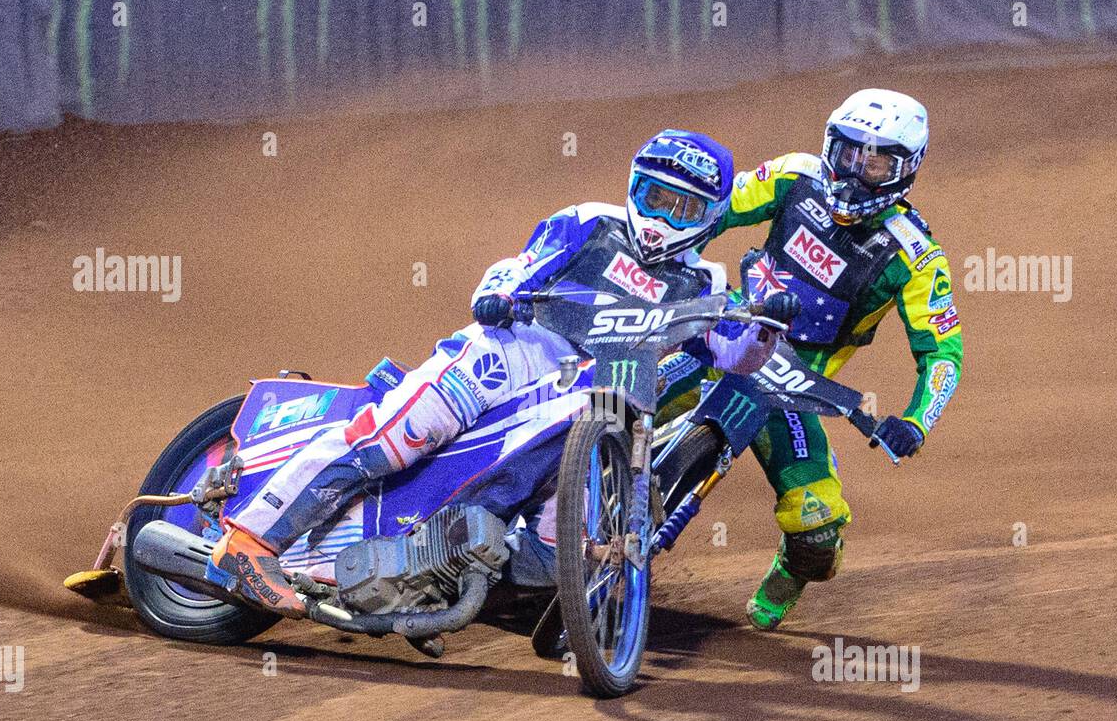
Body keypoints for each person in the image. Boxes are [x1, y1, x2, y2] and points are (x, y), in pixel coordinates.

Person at [208, 129, 799, 615]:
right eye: (653, 196)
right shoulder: (588, 222)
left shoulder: (708, 285)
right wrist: (498, 293)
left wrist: (765, 329)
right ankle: (251, 539)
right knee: (395, 437)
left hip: (595, 394)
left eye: (683, 207)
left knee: (551, 548)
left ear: (712, 215)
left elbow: (731, 357)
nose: (663, 215)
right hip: (514, 350)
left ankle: (447, 568)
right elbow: (515, 267)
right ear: (633, 187)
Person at [656, 89, 964, 631]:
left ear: (905, 169)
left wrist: (916, 422)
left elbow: (943, 353)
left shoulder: (915, 256)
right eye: (847, 153)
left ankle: (793, 569)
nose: (853, 172)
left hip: (791, 389)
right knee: (605, 403)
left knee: (818, 532)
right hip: (722, 333)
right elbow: (713, 210)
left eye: (874, 163)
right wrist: (659, 256)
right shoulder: (795, 175)